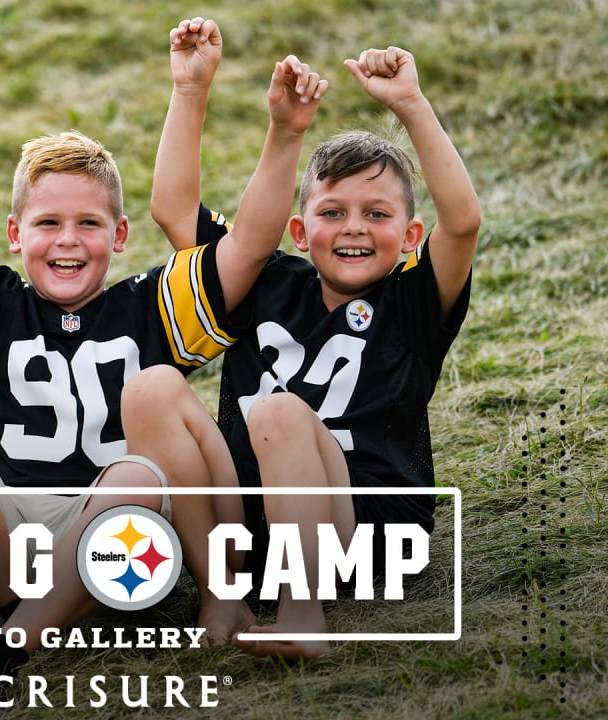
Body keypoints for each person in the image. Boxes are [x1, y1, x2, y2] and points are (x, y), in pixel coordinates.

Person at [0, 26, 324, 718]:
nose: (68, 240)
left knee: (133, 476)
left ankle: (5, 654)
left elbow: (246, 246)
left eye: (90, 224)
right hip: (11, 535)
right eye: (49, 223)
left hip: (123, 536)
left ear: (119, 237)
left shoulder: (150, 304)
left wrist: (281, 132)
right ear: (14, 233)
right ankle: (27, 596)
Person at [128, 34, 482, 660]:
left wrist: (411, 104)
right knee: (150, 388)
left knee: (277, 410)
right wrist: (193, 92)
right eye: (332, 212)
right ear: (299, 230)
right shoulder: (265, 280)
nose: (353, 226)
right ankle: (221, 593)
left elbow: (464, 222)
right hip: (249, 525)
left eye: (377, 214)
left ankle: (303, 614)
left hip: (361, 534)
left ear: (409, 237)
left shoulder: (413, 304)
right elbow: (174, 209)